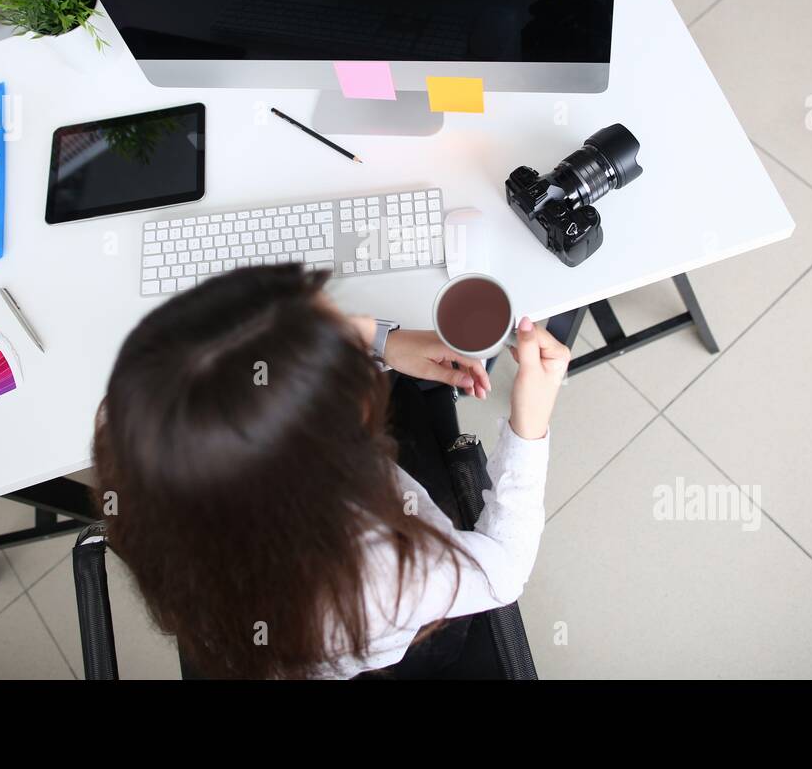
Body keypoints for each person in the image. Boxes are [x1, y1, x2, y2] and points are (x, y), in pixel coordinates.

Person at [93, 263, 569, 678]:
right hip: (377, 634)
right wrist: (530, 426)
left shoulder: (143, 442)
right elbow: (504, 573)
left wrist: (384, 340)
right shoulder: (380, 573)